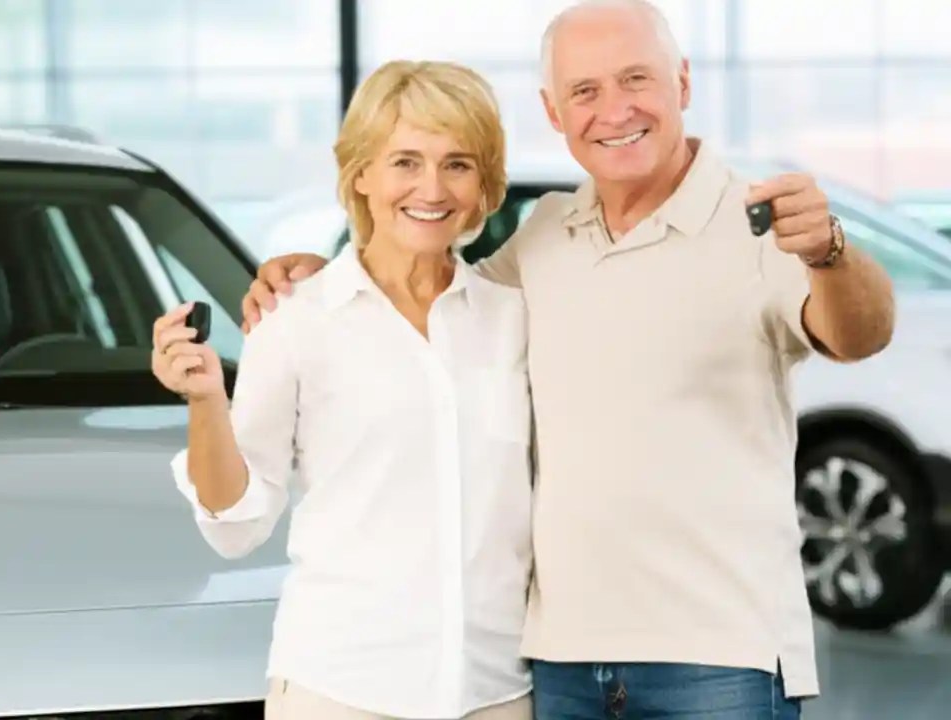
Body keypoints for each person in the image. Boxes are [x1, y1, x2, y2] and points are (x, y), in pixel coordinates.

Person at [238, 1, 896, 718]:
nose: (613, 111)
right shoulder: (549, 232)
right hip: (561, 661)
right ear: (555, 112)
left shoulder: (755, 221)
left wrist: (828, 252)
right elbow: (432, 302)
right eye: (585, 91)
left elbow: (861, 334)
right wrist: (323, 273)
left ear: (682, 84)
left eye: (635, 80)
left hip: (716, 659)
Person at [151, 60, 535, 720]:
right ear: (361, 174)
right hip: (342, 692)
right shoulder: (296, 317)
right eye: (405, 162)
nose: (431, 188)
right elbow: (235, 523)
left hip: (496, 694)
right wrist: (206, 402)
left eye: (458, 164)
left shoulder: (514, 318)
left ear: (484, 187)